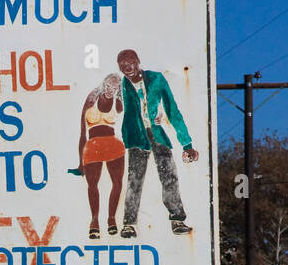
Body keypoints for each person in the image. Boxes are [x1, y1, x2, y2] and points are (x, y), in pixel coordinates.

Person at [116, 49, 198, 237]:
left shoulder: (155, 79)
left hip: (157, 133)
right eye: (123, 65)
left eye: (131, 62)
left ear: (138, 62)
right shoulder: (122, 85)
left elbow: (172, 109)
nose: (128, 68)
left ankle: (177, 219)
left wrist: (186, 144)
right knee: (134, 178)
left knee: (169, 174)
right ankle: (129, 224)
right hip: (136, 137)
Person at [69, 73, 125, 239]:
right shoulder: (91, 98)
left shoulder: (119, 102)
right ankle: (94, 221)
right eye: (108, 86)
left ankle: (111, 218)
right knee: (92, 184)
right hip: (93, 146)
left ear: (118, 89)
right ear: (103, 84)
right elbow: (82, 133)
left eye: (114, 88)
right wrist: (80, 162)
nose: (110, 90)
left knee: (117, 183)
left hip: (113, 145)